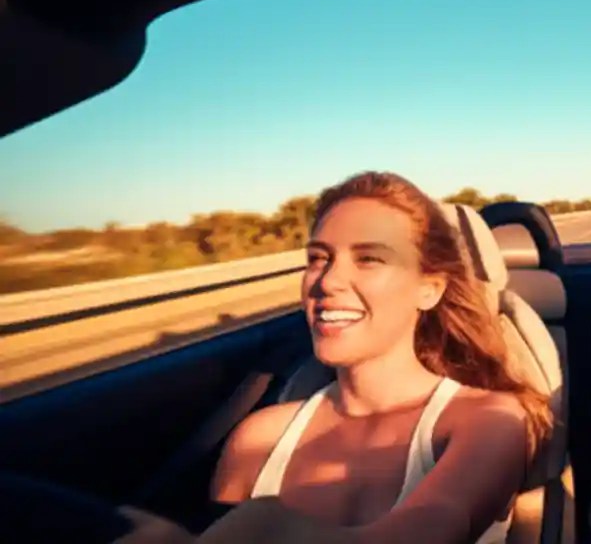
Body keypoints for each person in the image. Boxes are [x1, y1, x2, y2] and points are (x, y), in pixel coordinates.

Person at [116, 171, 553, 544]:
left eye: (369, 259)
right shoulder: (259, 437)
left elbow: (433, 529)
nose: (328, 281)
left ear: (429, 289)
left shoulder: (489, 419)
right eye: (318, 258)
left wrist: (263, 525)